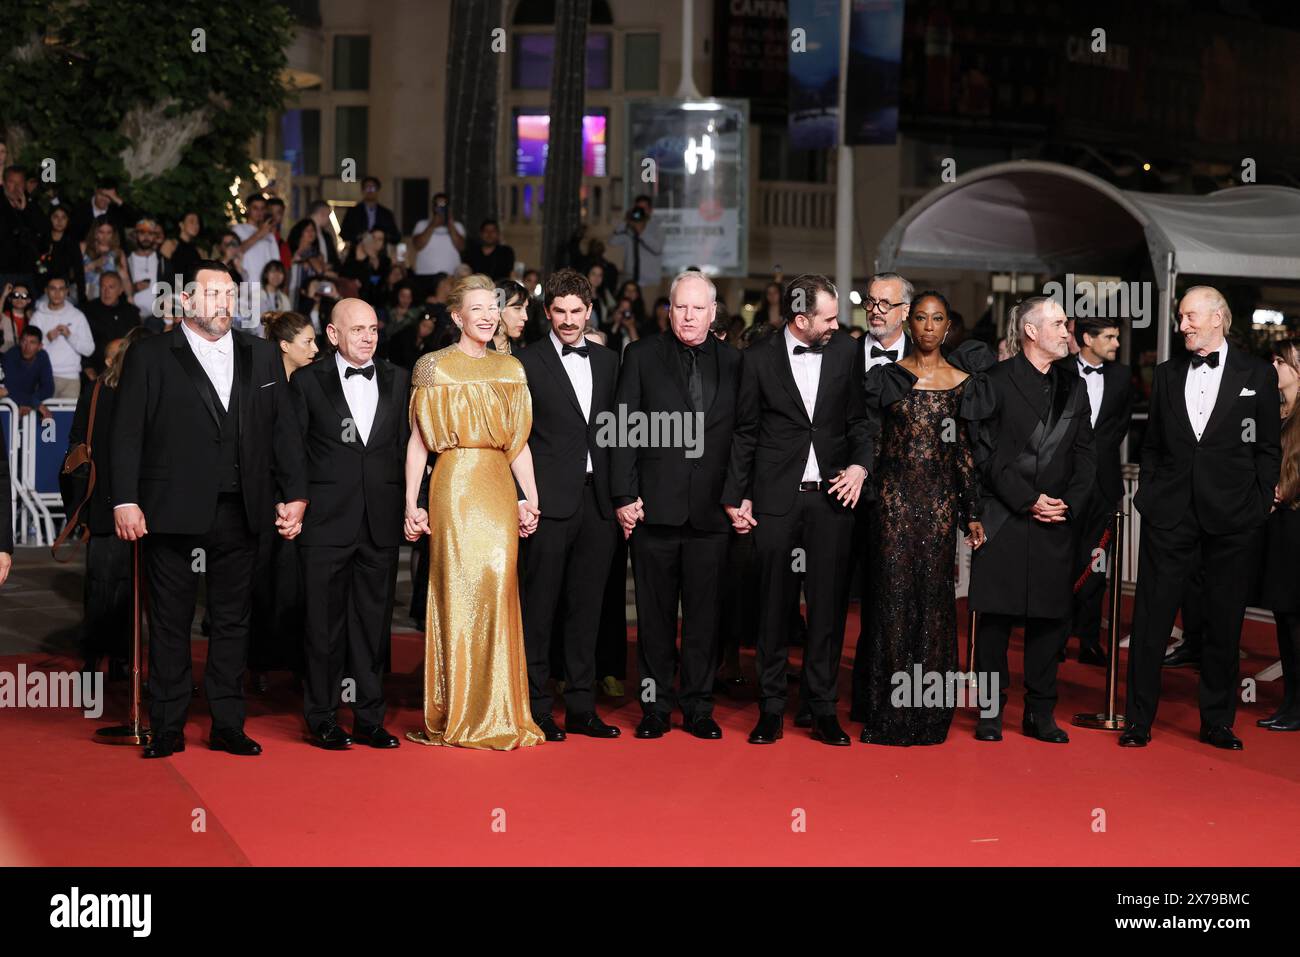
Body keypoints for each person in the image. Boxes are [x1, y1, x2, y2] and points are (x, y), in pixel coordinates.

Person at [110, 260, 308, 759]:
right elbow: (127, 432)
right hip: (169, 508)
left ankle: (227, 723)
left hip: (243, 508)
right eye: (213, 294)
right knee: (172, 622)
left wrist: (297, 493)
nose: (224, 304)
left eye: (230, 295)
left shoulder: (261, 356)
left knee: (232, 620)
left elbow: (284, 431)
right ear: (186, 302)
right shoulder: (152, 355)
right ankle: (169, 725)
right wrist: (125, 499)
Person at [1121, 286, 1280, 750]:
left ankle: (1217, 721)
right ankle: (1137, 720)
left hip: (1232, 518)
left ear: (1217, 318)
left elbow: (1267, 446)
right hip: (1169, 516)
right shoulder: (1168, 374)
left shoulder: (1257, 374)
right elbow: (1152, 445)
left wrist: (1258, 502)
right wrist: (1149, 494)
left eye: (1190, 317)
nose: (1182, 325)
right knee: (1151, 621)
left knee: (1223, 622)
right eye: (1181, 317)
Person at [723, 274, 871, 746]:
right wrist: (738, 493)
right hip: (774, 499)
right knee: (773, 606)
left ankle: (822, 707)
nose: (836, 324)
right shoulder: (757, 358)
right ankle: (770, 709)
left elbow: (859, 422)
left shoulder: (847, 351)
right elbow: (745, 431)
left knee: (827, 608)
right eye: (827, 318)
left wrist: (860, 468)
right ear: (800, 318)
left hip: (832, 497)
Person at [403, 273, 543, 750]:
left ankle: (502, 709)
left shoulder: (511, 370)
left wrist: (531, 497)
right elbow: (419, 442)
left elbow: (518, 444)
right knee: (458, 589)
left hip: (497, 486)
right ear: (457, 316)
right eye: (477, 309)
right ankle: (457, 711)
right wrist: (411, 502)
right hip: (454, 484)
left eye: (493, 308)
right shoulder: (432, 367)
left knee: (500, 588)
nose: (487, 316)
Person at [855, 293, 992, 745]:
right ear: (909, 323)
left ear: (949, 326)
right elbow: (871, 444)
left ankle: (929, 714)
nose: (929, 327)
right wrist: (867, 497)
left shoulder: (963, 382)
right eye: (921, 318)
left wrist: (971, 512)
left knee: (933, 605)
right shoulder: (886, 378)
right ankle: (888, 712)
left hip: (938, 508)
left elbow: (964, 454)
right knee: (892, 603)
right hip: (891, 505)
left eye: (938, 319)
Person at [612, 271, 741, 739]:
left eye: (697, 308)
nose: (688, 316)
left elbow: (743, 436)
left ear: (712, 312)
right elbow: (623, 427)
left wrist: (737, 494)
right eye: (680, 308)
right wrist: (624, 496)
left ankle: (699, 708)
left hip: (711, 513)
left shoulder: (733, 360)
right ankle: (654, 708)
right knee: (654, 619)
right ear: (669, 310)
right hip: (654, 510)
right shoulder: (642, 355)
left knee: (705, 620)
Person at [967, 296, 1096, 744]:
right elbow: (984, 455)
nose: (1067, 331)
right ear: (1031, 331)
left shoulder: (1073, 387)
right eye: (1059, 324)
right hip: (1004, 517)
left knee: (1050, 621)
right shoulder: (993, 382)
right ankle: (989, 712)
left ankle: (1040, 713)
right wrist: (1028, 499)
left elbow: (1086, 458)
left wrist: (1067, 504)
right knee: (995, 622)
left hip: (1056, 520)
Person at [286, 299, 408, 749]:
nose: (367, 337)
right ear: (333, 335)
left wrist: (412, 504)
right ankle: (321, 716)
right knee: (323, 627)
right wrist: (293, 502)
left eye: (373, 328)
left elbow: (405, 447)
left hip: (380, 521)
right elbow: (292, 451)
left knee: (373, 627)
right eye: (357, 329)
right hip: (325, 524)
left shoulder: (400, 378)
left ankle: (369, 717)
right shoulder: (306, 382)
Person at [516, 269, 621, 741]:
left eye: (576, 312)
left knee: (588, 610)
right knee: (539, 610)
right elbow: (514, 437)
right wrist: (523, 498)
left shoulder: (609, 362)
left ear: (589, 311)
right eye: (559, 312)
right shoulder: (525, 362)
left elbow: (620, 435)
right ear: (547, 313)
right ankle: (538, 707)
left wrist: (624, 496)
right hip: (546, 503)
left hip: (597, 504)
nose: (568, 320)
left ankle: (581, 707)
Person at [1060, 315, 1134, 665]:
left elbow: (1118, 426)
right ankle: (1056, 638)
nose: (1116, 344)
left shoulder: (1120, 376)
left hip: (1104, 485)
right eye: (1109, 337)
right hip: (1064, 483)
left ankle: (1089, 640)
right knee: (1060, 561)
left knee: (1097, 563)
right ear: (1087, 338)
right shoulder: (1060, 371)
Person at [71, 332, 144, 680]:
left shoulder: (96, 391)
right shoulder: (138, 396)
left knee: (101, 584)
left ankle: (94, 658)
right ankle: (119, 658)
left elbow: (75, 446)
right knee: (127, 586)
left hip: (101, 505)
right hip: (130, 504)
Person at [1259, 337, 1300, 731]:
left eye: (1282, 360)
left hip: (1293, 520)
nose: (1274, 365)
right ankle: (1290, 701)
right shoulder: (1279, 409)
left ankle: (1297, 705)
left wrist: (1279, 493)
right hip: (1279, 524)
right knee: (1284, 619)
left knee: (1295, 620)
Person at [28, 277, 93, 397]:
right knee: (45, 416)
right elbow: (27, 350)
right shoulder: (38, 317)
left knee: (69, 416)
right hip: (44, 376)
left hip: (71, 379)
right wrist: (47, 339)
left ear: (67, 291)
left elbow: (89, 350)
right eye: (53, 289)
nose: (57, 293)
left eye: (61, 289)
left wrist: (70, 336)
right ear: (46, 290)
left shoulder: (77, 316)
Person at [82, 272, 141, 377]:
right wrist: (87, 367)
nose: (106, 291)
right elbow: (82, 341)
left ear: (120, 290)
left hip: (127, 369)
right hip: (97, 369)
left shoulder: (131, 312)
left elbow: (138, 340)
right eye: (103, 287)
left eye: (111, 287)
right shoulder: (88, 311)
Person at [411, 193, 465, 297]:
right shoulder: (422, 224)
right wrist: (432, 225)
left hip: (450, 276)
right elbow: (417, 245)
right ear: (433, 207)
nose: (440, 208)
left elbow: (461, 247)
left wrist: (450, 224)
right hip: (424, 275)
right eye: (438, 205)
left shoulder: (457, 226)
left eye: (444, 205)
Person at [608, 195, 663, 296]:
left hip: (649, 282)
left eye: (644, 209)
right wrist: (626, 222)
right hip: (629, 280)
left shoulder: (656, 227)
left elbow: (657, 249)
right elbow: (612, 241)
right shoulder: (629, 227)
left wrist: (641, 232)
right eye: (638, 208)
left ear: (650, 210)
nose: (640, 211)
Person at [0, 325, 54, 418]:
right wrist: (34, 403)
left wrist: (30, 402)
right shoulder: (11, 356)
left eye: (32, 342)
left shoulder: (42, 356)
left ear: (40, 346)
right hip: (8, 406)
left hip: (27, 404)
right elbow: (8, 390)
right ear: (20, 342)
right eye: (24, 341)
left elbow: (48, 388)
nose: (27, 347)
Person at [340, 176, 400, 247]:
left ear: (378, 190)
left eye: (373, 188)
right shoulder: (353, 212)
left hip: (380, 254)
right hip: (357, 252)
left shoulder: (386, 214)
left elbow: (396, 237)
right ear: (362, 191)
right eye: (367, 188)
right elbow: (343, 234)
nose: (370, 191)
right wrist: (359, 236)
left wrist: (381, 236)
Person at [79, 220, 130, 305]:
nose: (105, 236)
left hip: (108, 301)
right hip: (85, 298)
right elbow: (72, 274)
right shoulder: (83, 247)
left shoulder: (117, 252)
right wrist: (93, 265)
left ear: (113, 234)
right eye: (101, 232)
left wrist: (130, 297)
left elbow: (125, 279)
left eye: (108, 233)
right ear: (95, 233)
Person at [492, 278, 528, 356]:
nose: (525, 317)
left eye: (526, 309)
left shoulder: (521, 354)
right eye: (517, 308)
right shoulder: (474, 348)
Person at [1, 282, 33, 353]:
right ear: (10, 299)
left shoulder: (32, 318)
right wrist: (4, 295)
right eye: (15, 295)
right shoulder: (3, 317)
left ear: (28, 300)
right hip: (6, 357)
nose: (19, 298)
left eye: (24, 296)